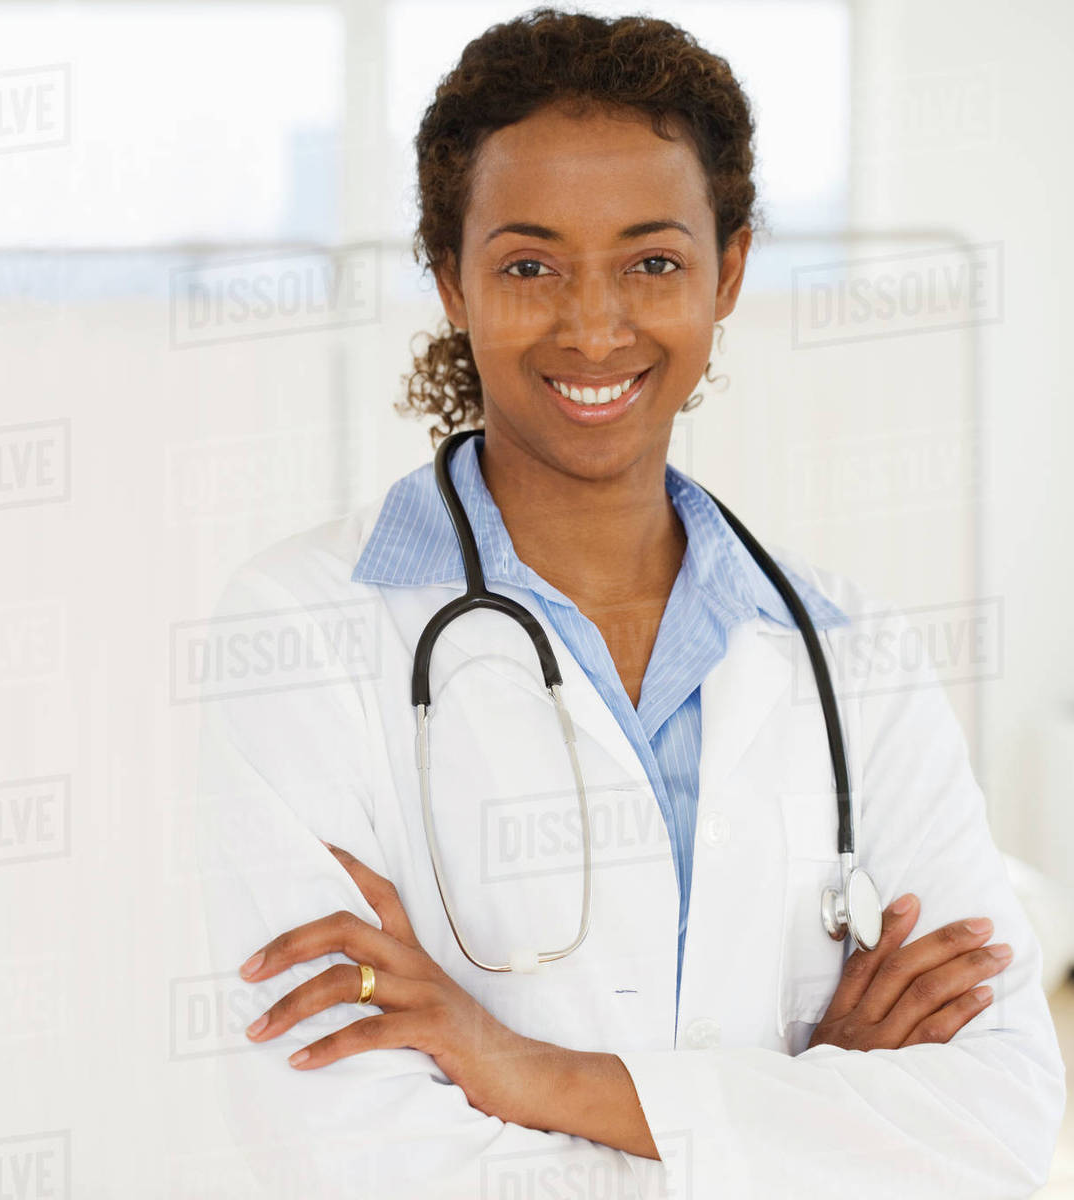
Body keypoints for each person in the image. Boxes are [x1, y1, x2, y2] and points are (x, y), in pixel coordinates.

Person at [194, 9, 1066, 1198]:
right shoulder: (296, 633)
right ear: (450, 280)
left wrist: (519, 1068)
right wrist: (808, 1115)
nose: (593, 324)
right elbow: (354, 1157)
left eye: (652, 261)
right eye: (527, 264)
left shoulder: (850, 653)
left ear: (730, 273)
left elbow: (1006, 1134)